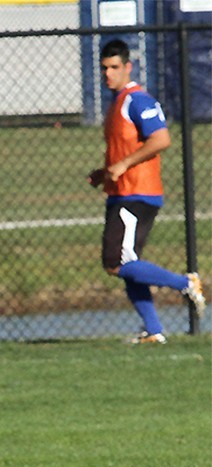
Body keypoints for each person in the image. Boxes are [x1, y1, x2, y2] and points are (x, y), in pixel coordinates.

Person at [87, 38, 204, 344]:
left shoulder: (138, 100)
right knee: (126, 264)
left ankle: (186, 283)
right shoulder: (117, 104)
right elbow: (122, 148)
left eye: (114, 67)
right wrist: (105, 173)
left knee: (118, 263)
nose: (108, 74)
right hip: (121, 192)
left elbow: (161, 139)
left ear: (128, 66)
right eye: (104, 68)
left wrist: (124, 165)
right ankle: (153, 331)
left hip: (138, 193)